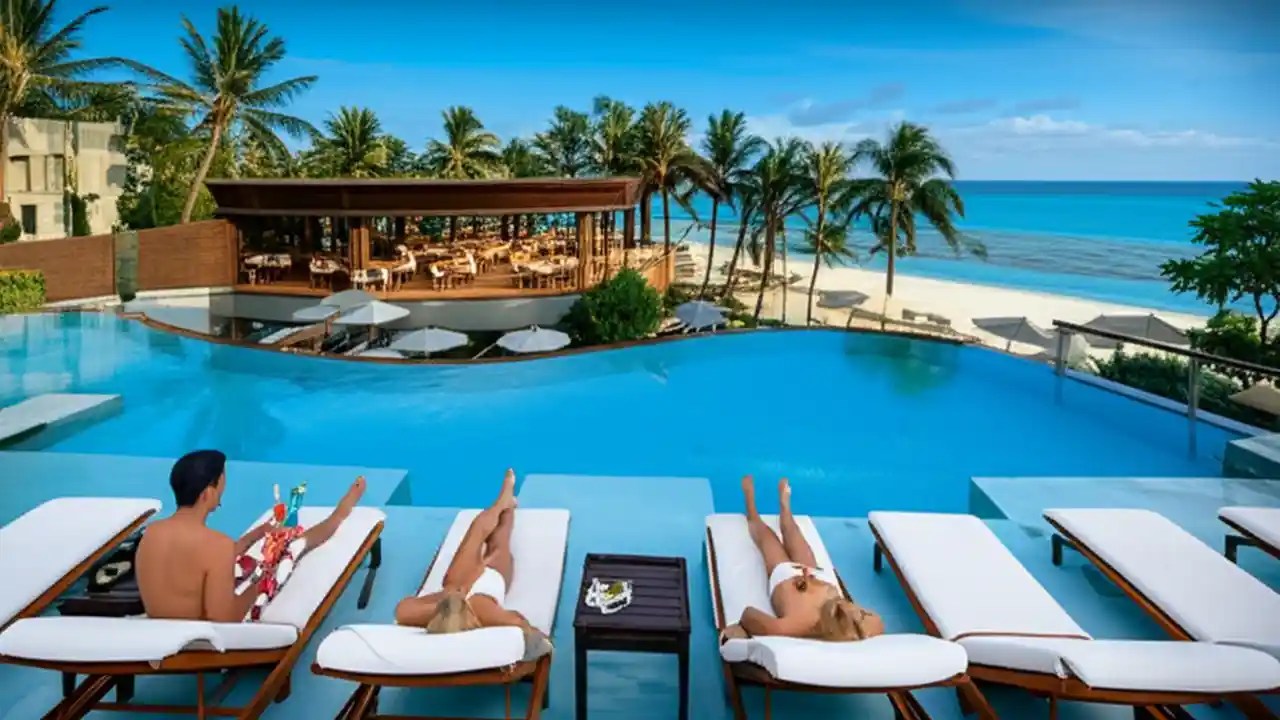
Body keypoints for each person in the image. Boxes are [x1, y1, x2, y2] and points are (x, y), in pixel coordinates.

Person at [137, 449, 367, 622]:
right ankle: (339, 514)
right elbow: (224, 619)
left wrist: (254, 536)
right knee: (293, 549)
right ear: (207, 493)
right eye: (220, 487)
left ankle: (338, 514)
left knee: (268, 552)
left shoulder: (151, 534)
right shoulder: (216, 546)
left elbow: (192, 564)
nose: (221, 494)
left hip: (161, 633)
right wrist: (260, 584)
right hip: (200, 640)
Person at [394, 469, 549, 647]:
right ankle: (506, 506)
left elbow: (402, 608)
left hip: (457, 582)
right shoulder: (485, 613)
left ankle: (502, 502)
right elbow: (522, 625)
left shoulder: (425, 615)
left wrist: (445, 598)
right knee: (499, 541)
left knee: (477, 530)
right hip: (492, 576)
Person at [721, 476, 884, 642]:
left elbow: (749, 614)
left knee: (765, 537)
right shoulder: (840, 606)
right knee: (792, 531)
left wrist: (744, 626)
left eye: (863, 613)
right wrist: (811, 581)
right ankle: (785, 509)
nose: (861, 608)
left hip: (785, 575)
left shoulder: (800, 625)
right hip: (817, 575)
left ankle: (751, 507)